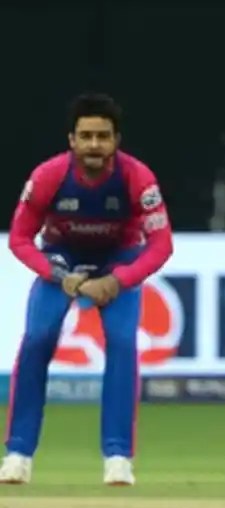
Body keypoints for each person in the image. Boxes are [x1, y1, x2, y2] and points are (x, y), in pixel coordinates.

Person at [2, 93, 174, 486]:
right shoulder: (48, 176)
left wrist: (118, 280)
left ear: (116, 140)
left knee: (121, 341)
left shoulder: (137, 178)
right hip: (62, 260)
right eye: (86, 136)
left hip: (119, 261)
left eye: (103, 136)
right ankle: (18, 454)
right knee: (37, 340)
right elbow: (20, 238)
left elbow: (161, 245)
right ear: (72, 139)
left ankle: (118, 457)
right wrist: (57, 274)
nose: (94, 145)